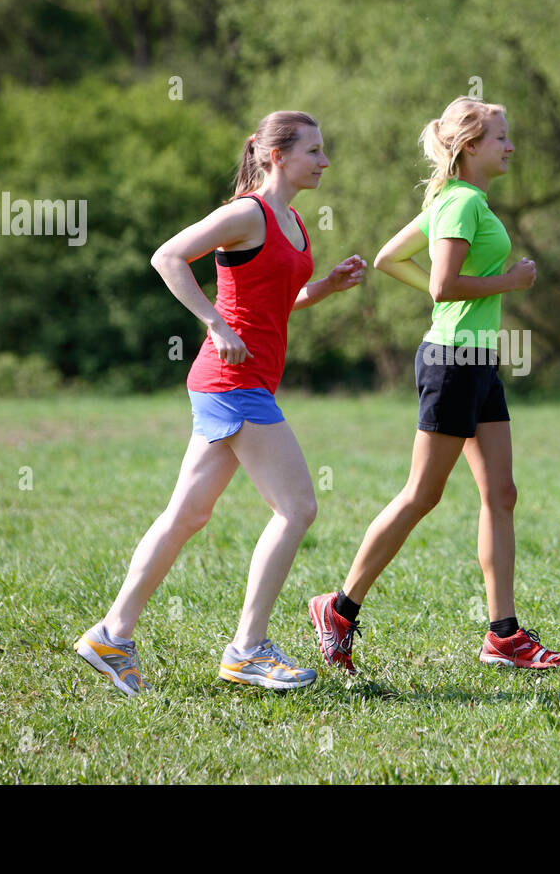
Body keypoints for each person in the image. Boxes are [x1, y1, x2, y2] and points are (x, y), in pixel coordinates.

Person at [74, 111, 365, 694]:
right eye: (314, 150)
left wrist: (323, 288)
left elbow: (273, 300)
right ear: (276, 155)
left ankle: (111, 634)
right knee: (298, 507)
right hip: (233, 383)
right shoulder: (247, 213)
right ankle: (248, 649)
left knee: (187, 515)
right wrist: (213, 323)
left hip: (241, 380)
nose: (325, 161)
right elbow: (168, 257)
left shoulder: (293, 222)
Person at [308, 96, 560, 672]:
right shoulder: (461, 204)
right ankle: (340, 607)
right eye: (501, 137)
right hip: (453, 362)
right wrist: (510, 282)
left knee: (501, 494)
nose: (510, 147)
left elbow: (387, 258)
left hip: (478, 361)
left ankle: (503, 634)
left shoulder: (456, 200)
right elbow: (444, 286)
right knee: (421, 495)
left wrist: (461, 291)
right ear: (471, 146)